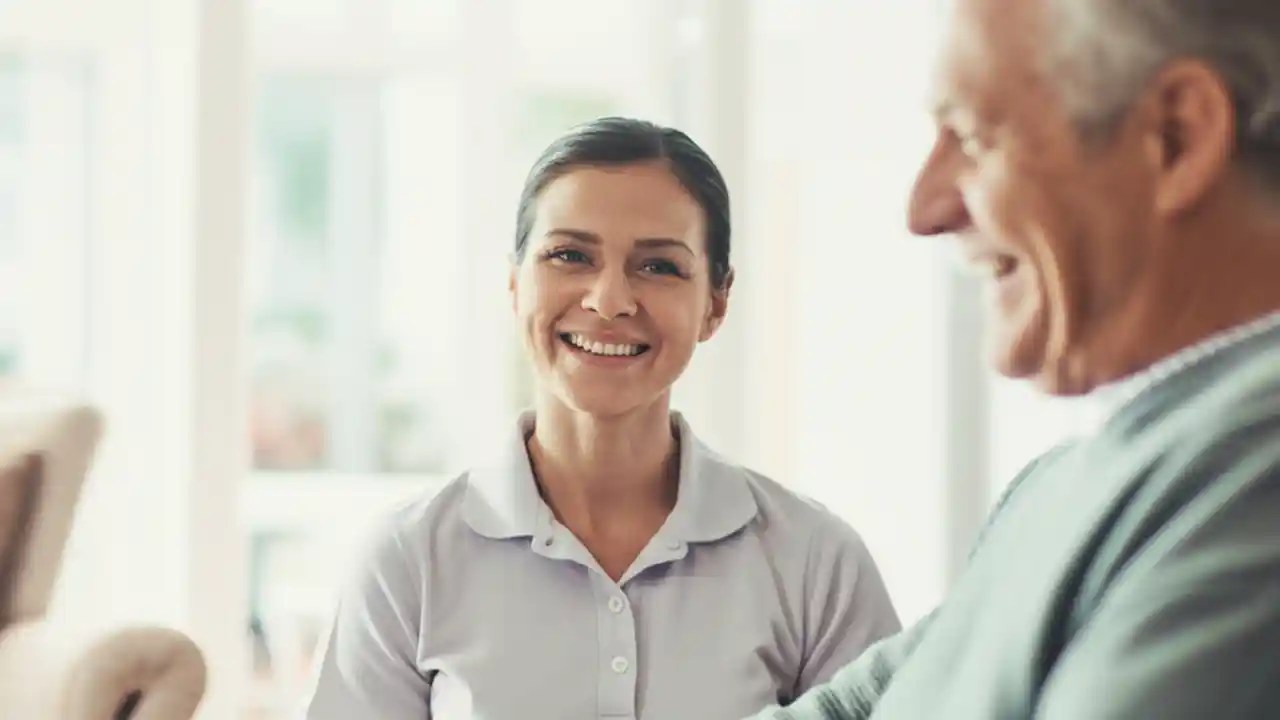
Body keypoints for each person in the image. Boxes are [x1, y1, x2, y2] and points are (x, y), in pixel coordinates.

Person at [750, 0, 1280, 718]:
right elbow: (860, 706)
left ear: (1176, 137)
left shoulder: (1252, 473)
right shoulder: (1069, 479)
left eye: (970, 136)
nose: (924, 207)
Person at [306, 117, 900, 719]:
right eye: (570, 255)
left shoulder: (815, 563)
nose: (609, 300)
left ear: (716, 304)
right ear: (516, 285)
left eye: (659, 266)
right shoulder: (408, 562)